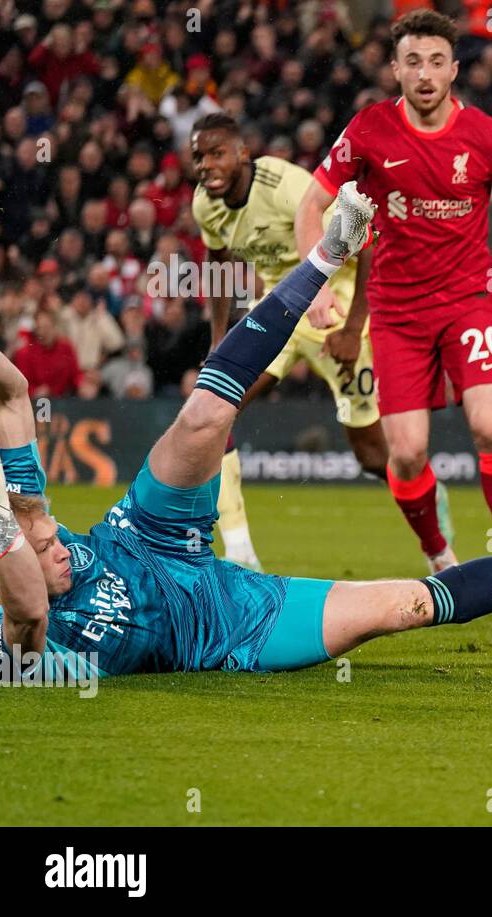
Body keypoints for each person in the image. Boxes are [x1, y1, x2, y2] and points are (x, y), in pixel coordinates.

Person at [0, 185, 492, 679]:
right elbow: (29, 615)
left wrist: (26, 518)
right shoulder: (22, 643)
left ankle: (329, 253)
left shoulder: (29, 516)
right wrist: (4, 531)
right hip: (225, 622)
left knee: (204, 416)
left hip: (146, 533)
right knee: (404, 605)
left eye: (53, 536)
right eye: (42, 552)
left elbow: (12, 395)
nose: (59, 546)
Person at [296, 9, 492, 571]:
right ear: (395, 68)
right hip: (396, 314)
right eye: (413, 62)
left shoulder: (488, 136)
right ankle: (440, 556)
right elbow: (310, 205)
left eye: (436, 61)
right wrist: (316, 286)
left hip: (468, 304)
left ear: (455, 69)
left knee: (489, 426)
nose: (425, 73)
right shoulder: (368, 130)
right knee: (406, 455)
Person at [189, 111, 451, 573]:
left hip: (336, 306)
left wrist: (353, 327)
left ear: (242, 154)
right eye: (198, 157)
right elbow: (221, 269)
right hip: (280, 307)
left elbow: (365, 242)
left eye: (216, 154)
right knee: (213, 408)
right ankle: (241, 554)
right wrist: (218, 344)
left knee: (374, 456)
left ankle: (428, 500)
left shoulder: (287, 186)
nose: (206, 165)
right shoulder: (204, 206)